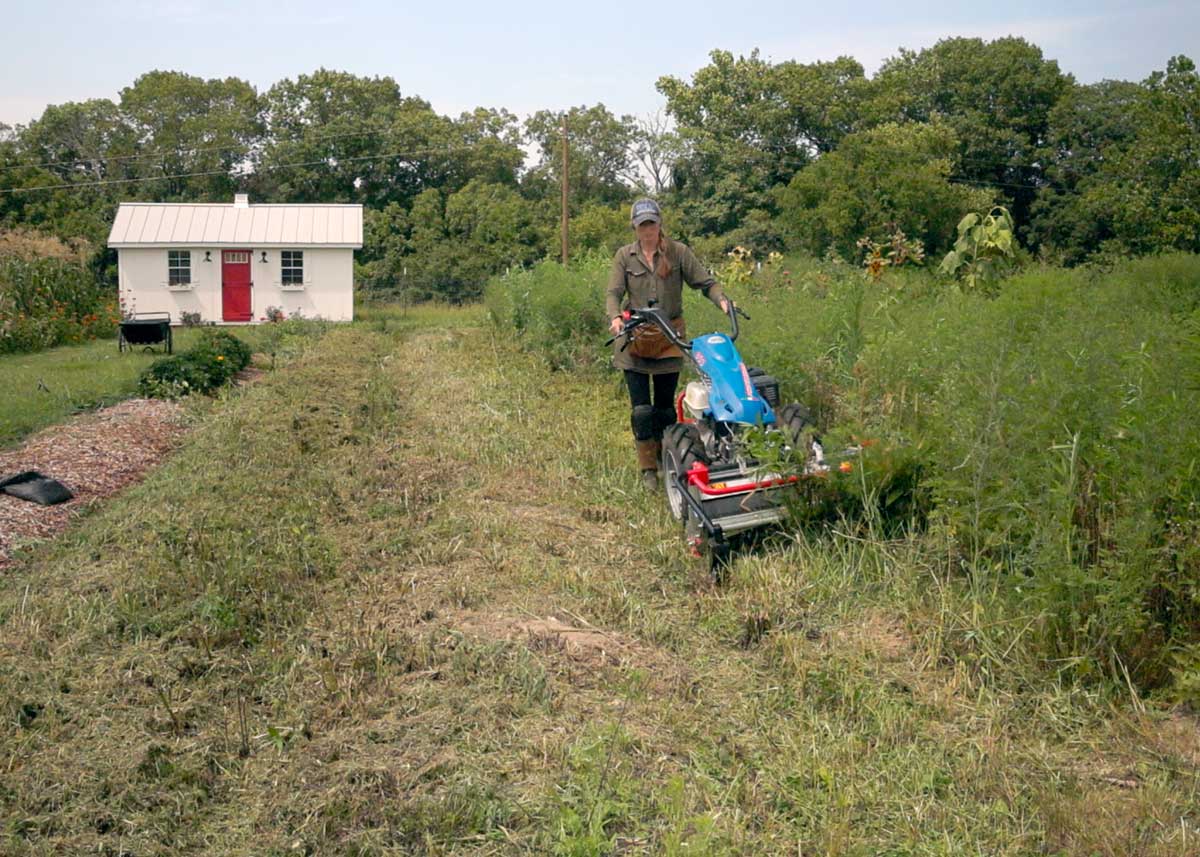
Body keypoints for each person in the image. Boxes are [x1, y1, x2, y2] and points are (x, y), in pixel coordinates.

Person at [607, 198, 729, 491]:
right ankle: (648, 468)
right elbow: (613, 292)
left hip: (669, 336)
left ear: (660, 223)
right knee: (641, 410)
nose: (647, 230)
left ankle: (667, 458)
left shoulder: (678, 252)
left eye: (652, 223)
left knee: (664, 408)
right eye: (642, 225)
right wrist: (615, 317)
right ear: (635, 227)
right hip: (635, 336)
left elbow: (705, 282)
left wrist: (722, 300)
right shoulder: (625, 256)